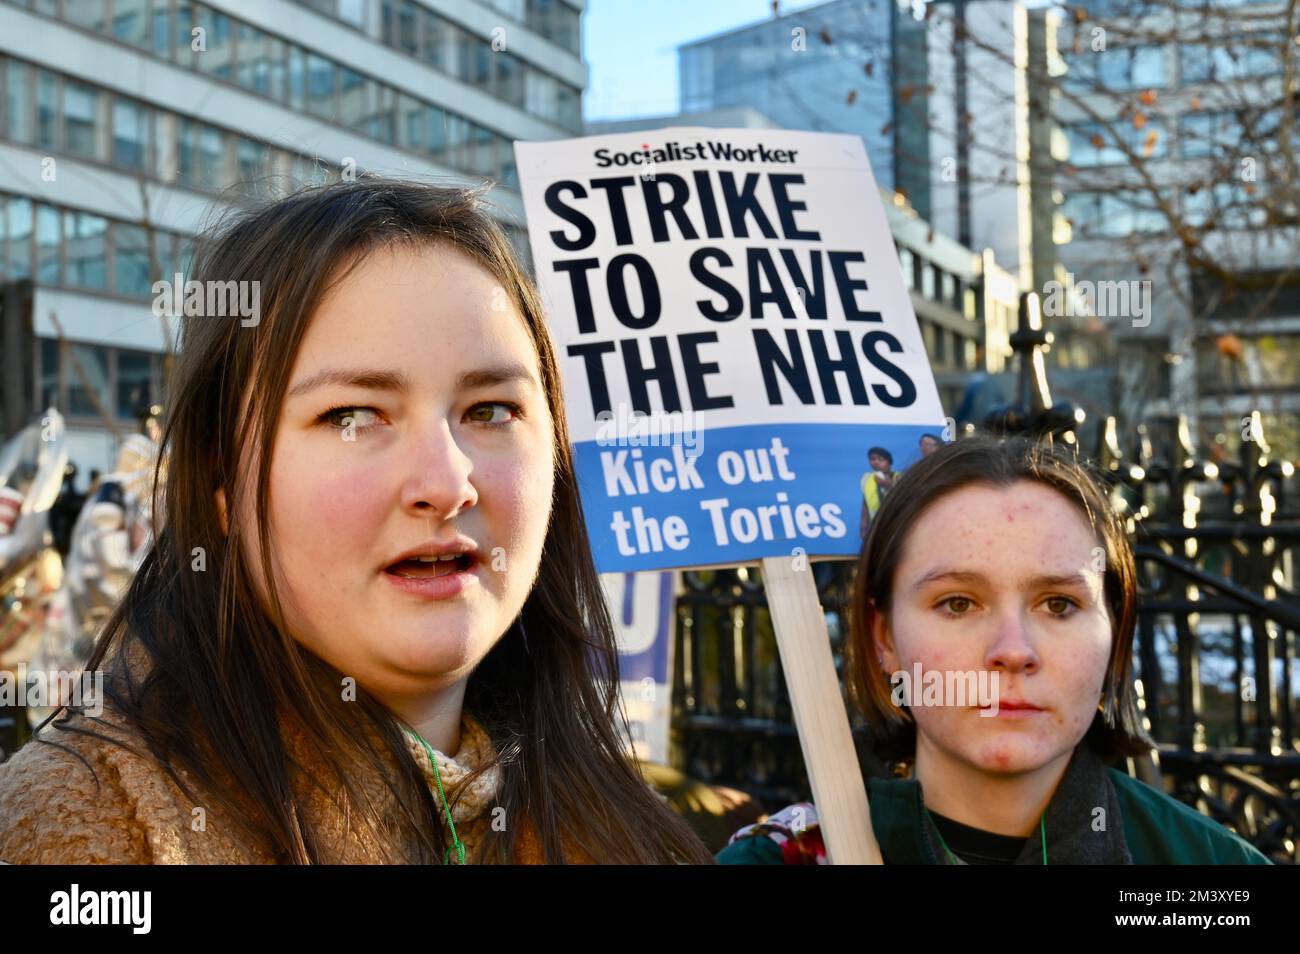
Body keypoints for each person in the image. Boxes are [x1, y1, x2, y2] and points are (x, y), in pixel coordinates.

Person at [0, 178, 714, 865]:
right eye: (351, 416)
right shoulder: (83, 826)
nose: (447, 483)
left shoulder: (632, 824)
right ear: (221, 483)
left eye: (491, 410)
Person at [719, 436, 1271, 864]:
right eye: (958, 603)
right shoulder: (778, 859)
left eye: (1058, 604)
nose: (1013, 651)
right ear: (883, 638)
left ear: (1114, 632)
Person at [858, 446, 897, 539]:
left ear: (889, 462)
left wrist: (888, 486)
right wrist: (863, 525)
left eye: (881, 459)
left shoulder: (899, 477)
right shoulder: (866, 478)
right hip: (875, 525)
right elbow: (865, 504)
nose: (875, 462)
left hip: (896, 524)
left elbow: (905, 501)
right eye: (872, 459)